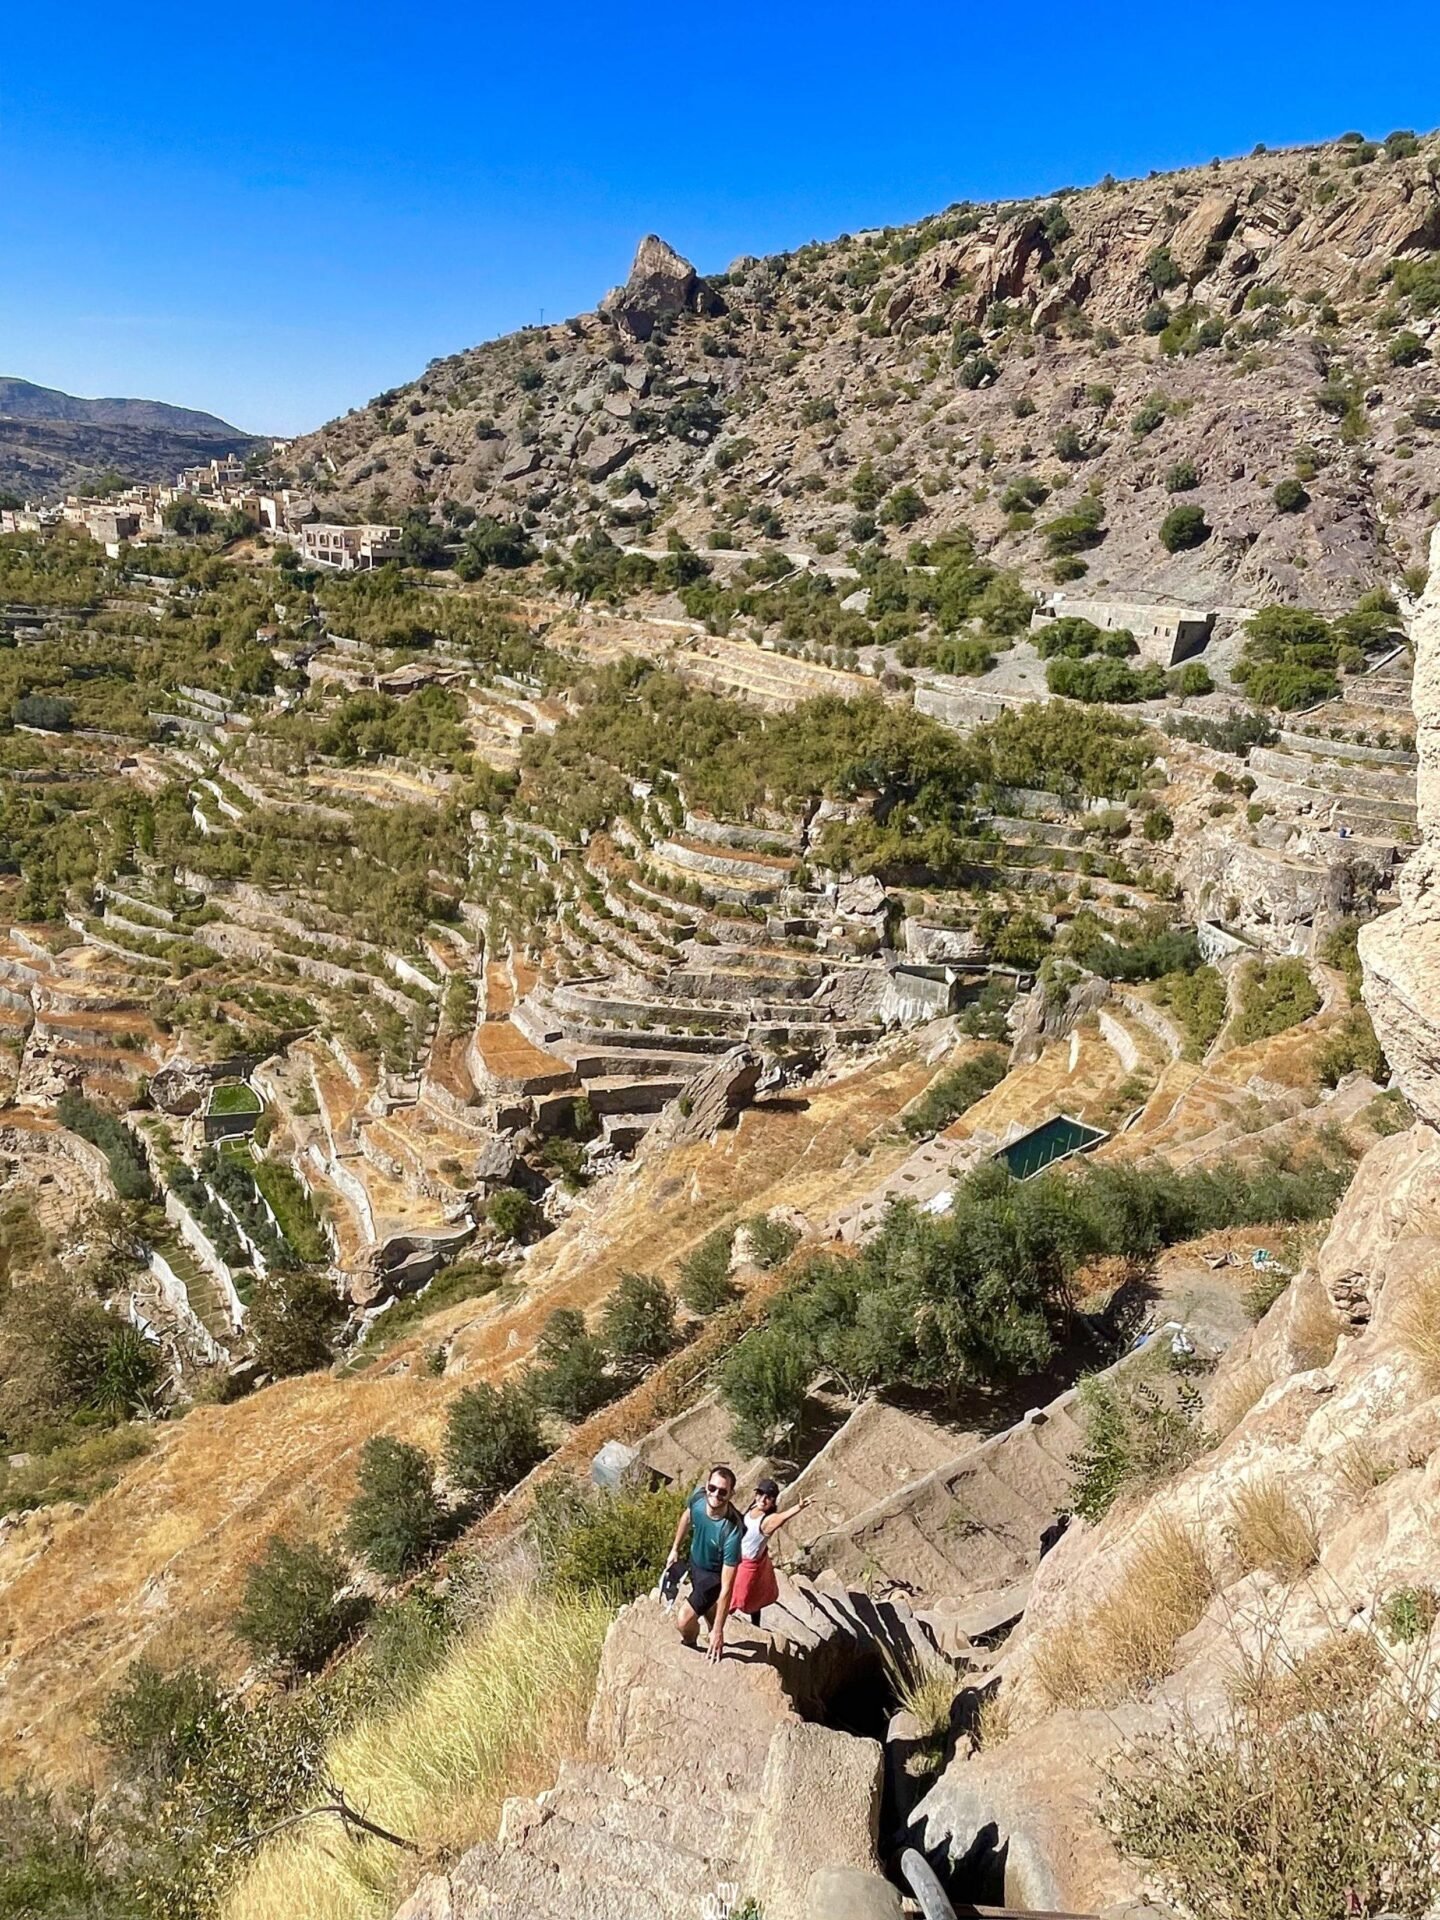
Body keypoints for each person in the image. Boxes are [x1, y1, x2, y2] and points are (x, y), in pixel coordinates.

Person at [665, 1464, 743, 1662]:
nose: (716, 1494)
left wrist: (718, 1631)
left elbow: (727, 1587)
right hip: (695, 1563)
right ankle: (710, 1624)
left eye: (723, 1491)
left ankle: (691, 1643)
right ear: (706, 1485)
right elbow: (687, 1516)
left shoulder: (731, 1530)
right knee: (707, 1606)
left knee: (683, 1621)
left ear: (731, 1494)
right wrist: (675, 1549)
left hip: (712, 1577)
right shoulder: (699, 1498)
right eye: (713, 1488)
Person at [731, 1478, 811, 1624]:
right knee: (753, 1594)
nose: (763, 1499)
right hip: (738, 1556)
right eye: (760, 1494)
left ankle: (722, 1625)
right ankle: (754, 1625)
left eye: (768, 1497)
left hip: (748, 1564)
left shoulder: (768, 1520)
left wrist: (798, 1508)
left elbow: (782, 1518)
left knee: (738, 1596)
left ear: (773, 1501)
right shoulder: (754, 1507)